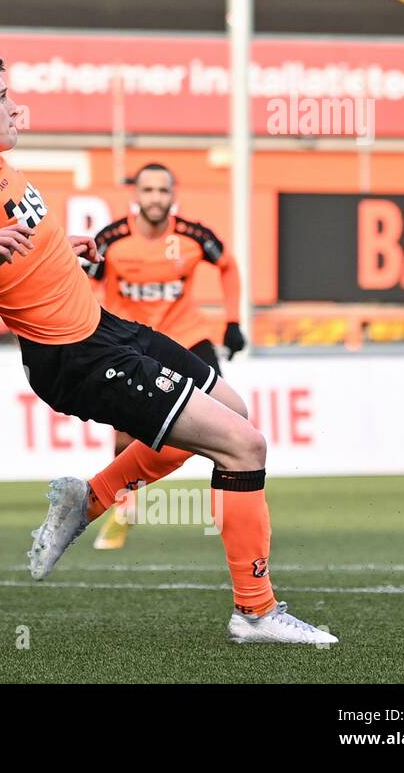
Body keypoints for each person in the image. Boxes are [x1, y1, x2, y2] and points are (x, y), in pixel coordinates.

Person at [0, 56, 336, 645]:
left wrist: (62, 248)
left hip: (104, 327)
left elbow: (9, 233)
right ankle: (255, 613)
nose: (13, 106)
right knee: (245, 447)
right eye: (1, 97)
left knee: (233, 416)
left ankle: (87, 501)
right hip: (77, 355)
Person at [86, 161, 246, 549]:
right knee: (125, 437)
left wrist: (233, 321)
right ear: (135, 196)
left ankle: (230, 507)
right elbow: (84, 284)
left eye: (162, 190)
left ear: (173, 195)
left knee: (229, 420)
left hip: (187, 341)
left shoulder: (194, 236)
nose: (155, 198)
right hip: (132, 345)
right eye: (148, 190)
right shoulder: (110, 239)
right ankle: (124, 507)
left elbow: (228, 266)